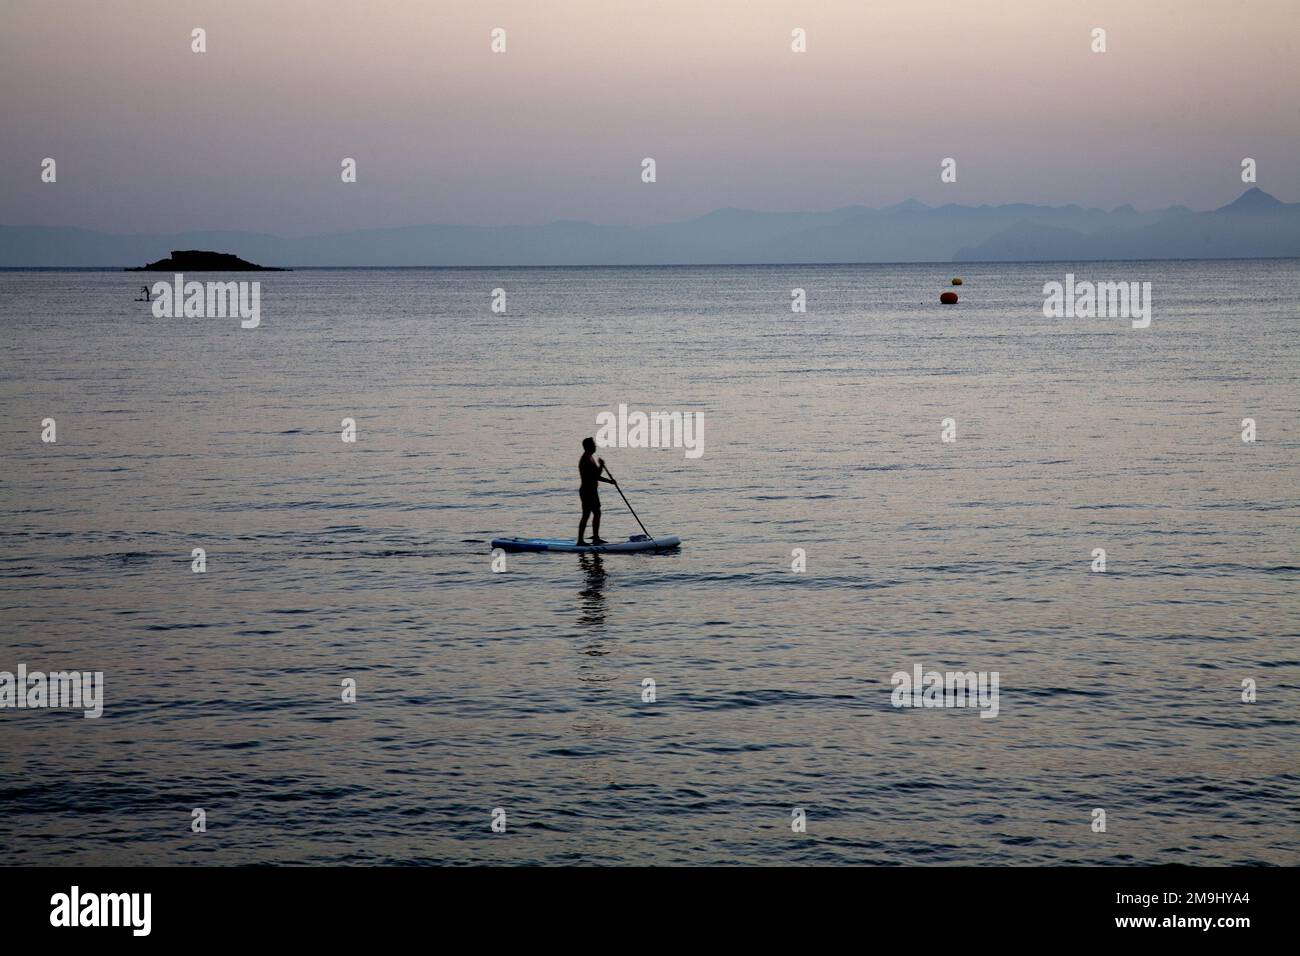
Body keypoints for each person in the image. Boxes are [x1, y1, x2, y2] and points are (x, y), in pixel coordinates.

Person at [578, 437, 616, 546]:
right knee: (586, 515)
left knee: (597, 513)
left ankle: (595, 538)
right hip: (587, 491)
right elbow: (595, 476)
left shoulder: (590, 457)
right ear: (587, 447)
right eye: (593, 445)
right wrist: (602, 467)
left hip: (592, 491)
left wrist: (609, 480)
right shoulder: (585, 459)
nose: (595, 446)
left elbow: (595, 475)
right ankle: (580, 541)